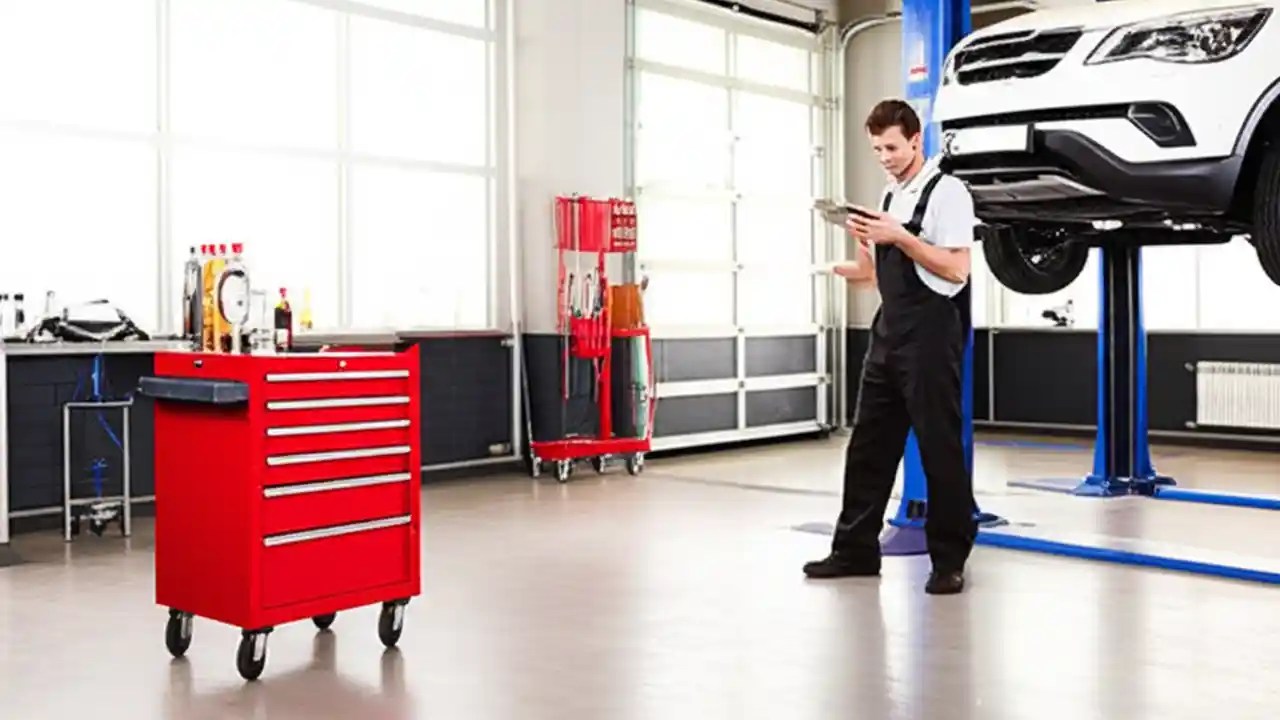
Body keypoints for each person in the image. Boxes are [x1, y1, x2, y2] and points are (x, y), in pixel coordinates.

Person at [804, 99, 978, 595]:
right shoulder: (887, 194)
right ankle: (855, 551)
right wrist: (845, 259)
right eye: (877, 149)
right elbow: (873, 277)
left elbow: (957, 270)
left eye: (892, 148)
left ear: (916, 140)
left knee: (939, 448)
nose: (884, 157)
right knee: (869, 447)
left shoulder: (948, 192)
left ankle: (949, 561)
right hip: (889, 332)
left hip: (931, 333)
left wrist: (900, 236)